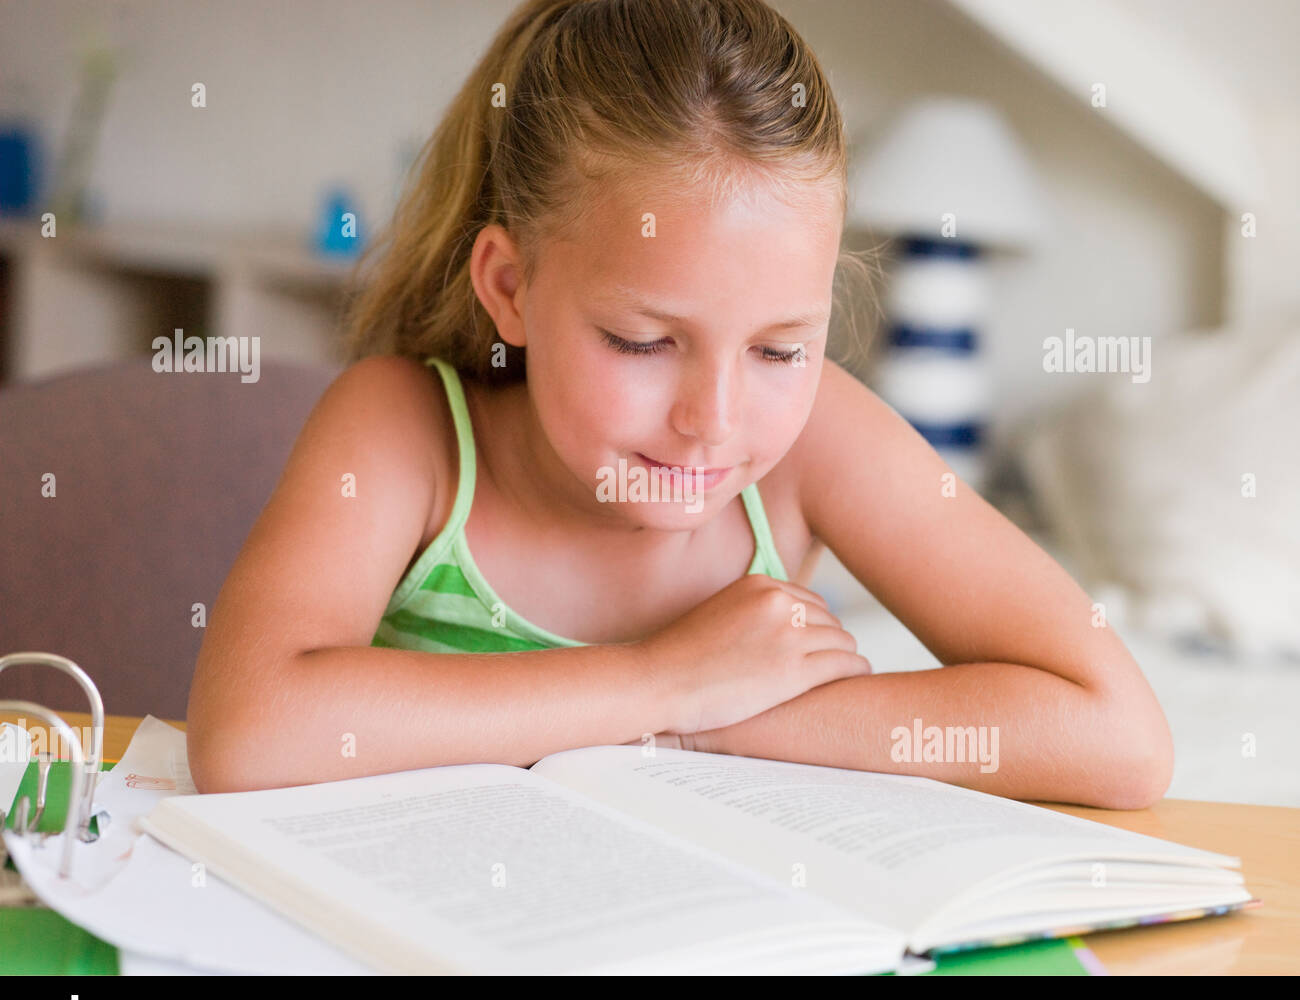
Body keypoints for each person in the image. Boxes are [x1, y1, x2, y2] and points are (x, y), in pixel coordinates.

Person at [187, 0, 1172, 809]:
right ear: (510, 287)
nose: (714, 415)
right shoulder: (404, 432)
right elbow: (247, 731)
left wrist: (708, 711)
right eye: (644, 342)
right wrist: (660, 679)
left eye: (781, 347)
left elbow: (1115, 735)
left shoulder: (816, 440)